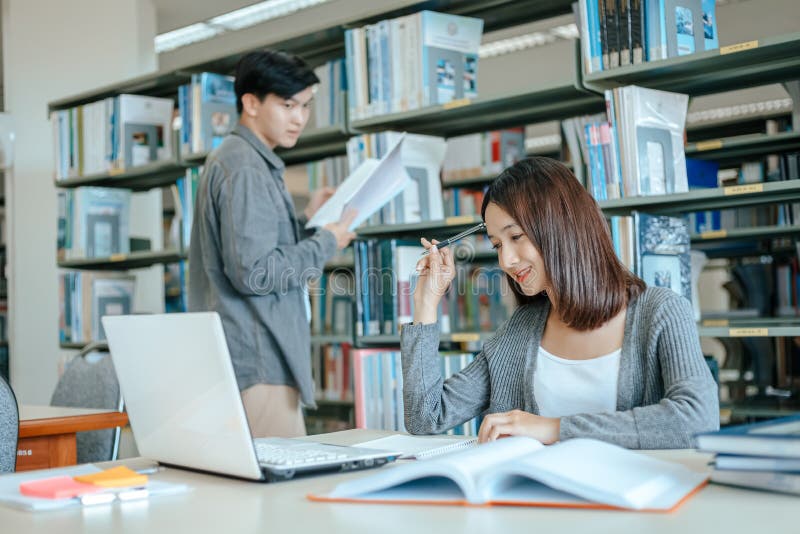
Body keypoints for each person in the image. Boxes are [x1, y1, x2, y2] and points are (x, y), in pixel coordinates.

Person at [402, 157, 719, 449]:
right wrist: (426, 303)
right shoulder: (520, 332)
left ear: (561, 226)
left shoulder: (660, 312)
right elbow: (425, 418)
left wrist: (553, 428)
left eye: (517, 237)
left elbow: (697, 421)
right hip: (541, 503)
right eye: (497, 245)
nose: (506, 260)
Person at [189, 50, 356, 438]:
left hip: (250, 354)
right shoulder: (245, 166)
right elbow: (256, 271)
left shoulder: (239, 160)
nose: (299, 117)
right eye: (287, 105)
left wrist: (306, 224)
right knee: (277, 492)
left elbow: (252, 247)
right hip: (260, 357)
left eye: (306, 106)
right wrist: (326, 242)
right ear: (250, 103)